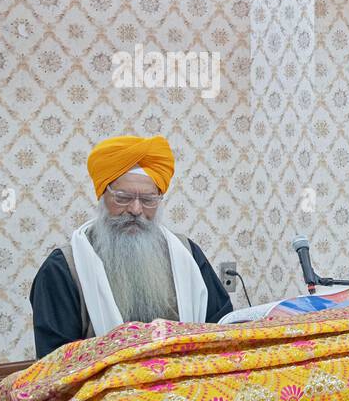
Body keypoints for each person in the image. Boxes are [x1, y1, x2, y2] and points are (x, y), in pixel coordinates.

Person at [29, 135, 232, 358]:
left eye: (148, 200)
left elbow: (221, 328)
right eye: (123, 197)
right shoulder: (64, 268)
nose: (136, 210)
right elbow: (54, 364)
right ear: (102, 196)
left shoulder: (186, 253)